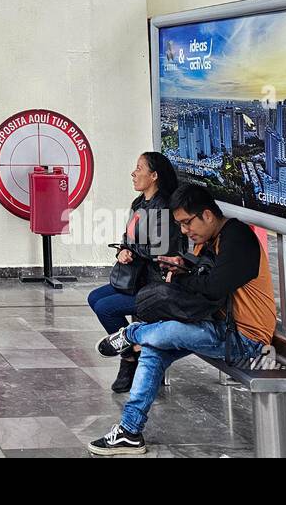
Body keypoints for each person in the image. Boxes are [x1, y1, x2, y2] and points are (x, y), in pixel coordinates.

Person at [89, 183, 276, 456]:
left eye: (188, 223)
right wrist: (183, 266)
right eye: (181, 225)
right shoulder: (208, 238)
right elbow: (204, 278)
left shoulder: (238, 239)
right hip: (214, 324)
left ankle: (131, 334)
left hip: (244, 338)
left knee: (164, 333)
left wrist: (182, 279)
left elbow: (213, 287)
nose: (185, 231)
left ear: (207, 215)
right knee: (154, 347)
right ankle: (129, 431)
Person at [85, 152, 183, 393]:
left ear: (154, 175)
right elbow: (128, 239)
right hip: (134, 277)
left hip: (154, 284)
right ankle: (132, 353)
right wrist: (122, 251)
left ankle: (130, 357)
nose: (133, 173)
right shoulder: (139, 204)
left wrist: (132, 251)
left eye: (139, 168)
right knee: (95, 298)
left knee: (106, 308)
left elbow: (161, 252)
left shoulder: (163, 208)